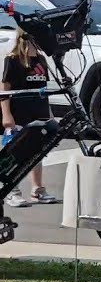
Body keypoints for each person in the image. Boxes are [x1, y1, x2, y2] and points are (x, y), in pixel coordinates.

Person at [2, 29, 58, 207]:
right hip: (19, 113)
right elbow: (4, 89)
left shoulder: (41, 60)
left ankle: (38, 189)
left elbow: (43, 89)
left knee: (37, 153)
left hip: (38, 112)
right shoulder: (12, 60)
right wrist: (6, 114)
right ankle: (12, 190)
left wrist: (49, 115)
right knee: (15, 153)